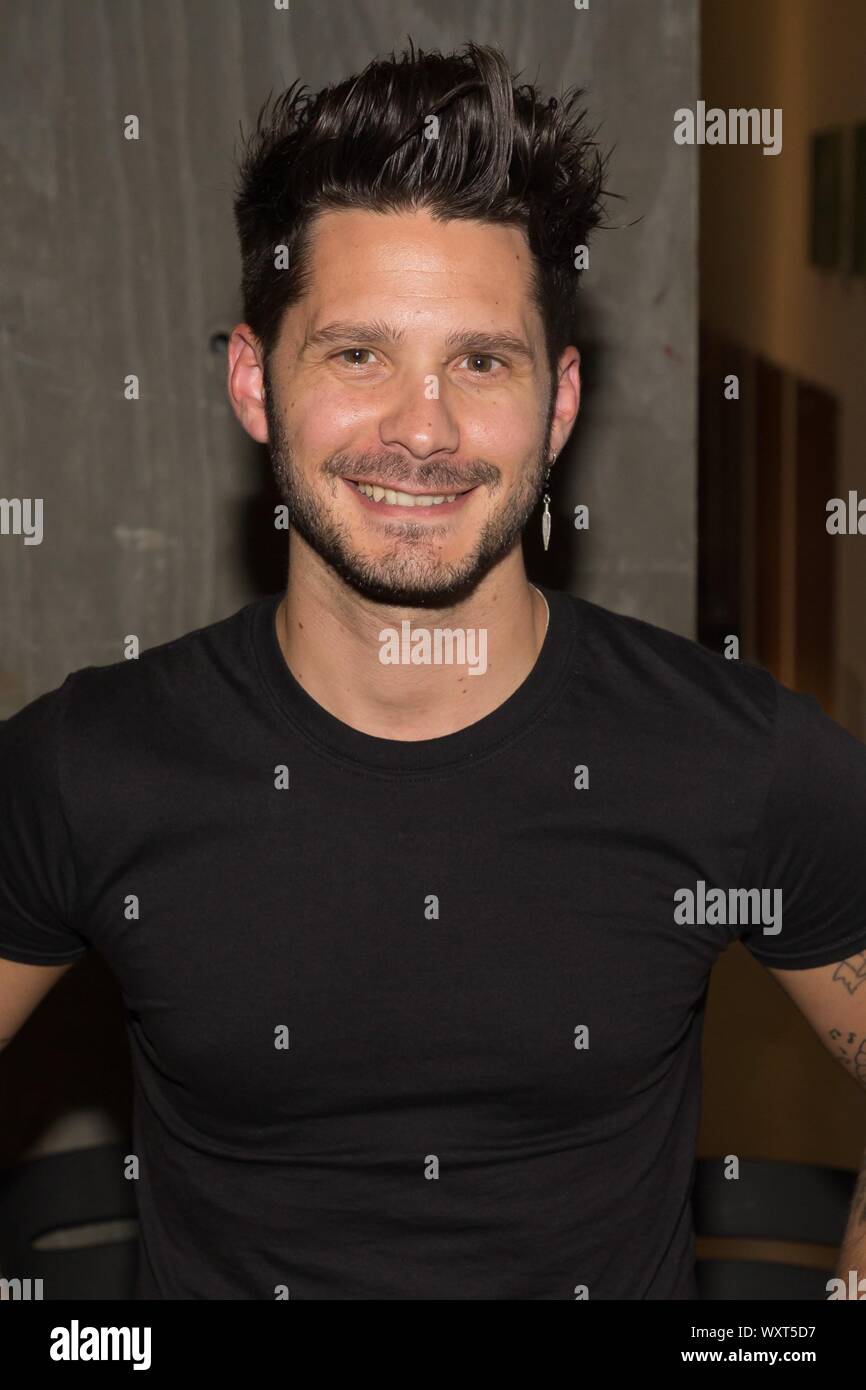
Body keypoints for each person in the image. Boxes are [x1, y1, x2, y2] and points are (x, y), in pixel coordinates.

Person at [2, 41, 866, 1301]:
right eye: (357, 354)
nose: (423, 428)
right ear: (254, 380)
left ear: (559, 403)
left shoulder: (729, 757)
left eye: (481, 361)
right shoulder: (93, 762)